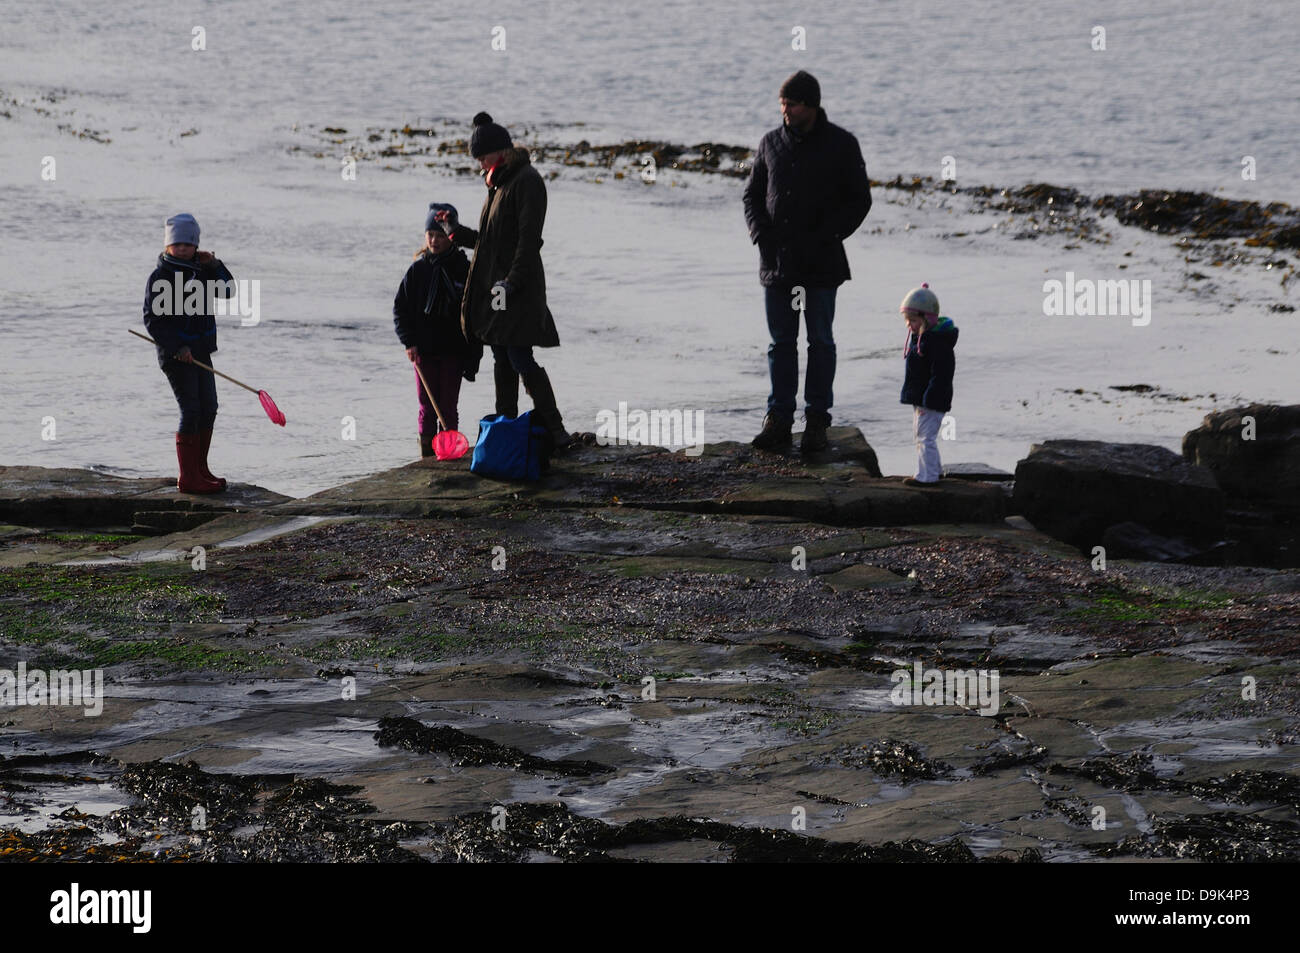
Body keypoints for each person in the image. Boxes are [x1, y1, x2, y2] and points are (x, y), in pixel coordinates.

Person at [742, 70, 872, 453]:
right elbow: (751, 196)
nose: (785, 111)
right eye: (782, 103)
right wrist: (760, 236)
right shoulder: (769, 144)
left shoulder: (842, 144)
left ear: (811, 105)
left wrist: (831, 234)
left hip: (822, 265)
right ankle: (778, 420)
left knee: (821, 342)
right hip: (777, 265)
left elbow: (860, 200)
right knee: (780, 344)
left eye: (792, 104)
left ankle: (817, 422)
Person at [436, 112, 571, 451]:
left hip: (518, 289)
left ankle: (556, 430)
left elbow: (529, 242)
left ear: (500, 151)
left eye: (482, 156)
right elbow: (490, 241)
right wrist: (455, 231)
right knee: (500, 354)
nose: (479, 164)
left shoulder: (527, 181)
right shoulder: (498, 183)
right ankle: (507, 425)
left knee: (519, 356)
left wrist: (512, 281)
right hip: (496, 291)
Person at [142, 213, 235, 493]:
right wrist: (177, 348)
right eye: (177, 243)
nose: (182, 248)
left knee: (209, 407)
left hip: (202, 352)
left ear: (196, 245)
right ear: (167, 245)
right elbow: (153, 320)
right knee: (191, 409)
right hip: (176, 356)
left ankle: (201, 469)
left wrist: (215, 264)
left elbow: (228, 290)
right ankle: (188, 478)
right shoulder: (160, 277)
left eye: (187, 243)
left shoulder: (203, 271)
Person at [394, 202, 481, 456]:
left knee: (448, 406)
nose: (434, 240)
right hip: (423, 351)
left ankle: (448, 454)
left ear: (450, 237)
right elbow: (401, 310)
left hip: (453, 350)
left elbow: (474, 313)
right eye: (430, 235)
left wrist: (473, 354)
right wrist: (408, 342)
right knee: (426, 406)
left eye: (440, 235)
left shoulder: (464, 270)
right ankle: (426, 456)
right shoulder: (417, 271)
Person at [898, 283, 958, 486]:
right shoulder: (922, 338)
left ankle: (928, 477)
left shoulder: (937, 343)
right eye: (907, 321)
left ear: (927, 319)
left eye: (913, 320)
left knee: (925, 437)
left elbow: (941, 374)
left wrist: (929, 399)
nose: (909, 325)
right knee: (922, 436)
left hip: (931, 400)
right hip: (922, 398)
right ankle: (932, 471)